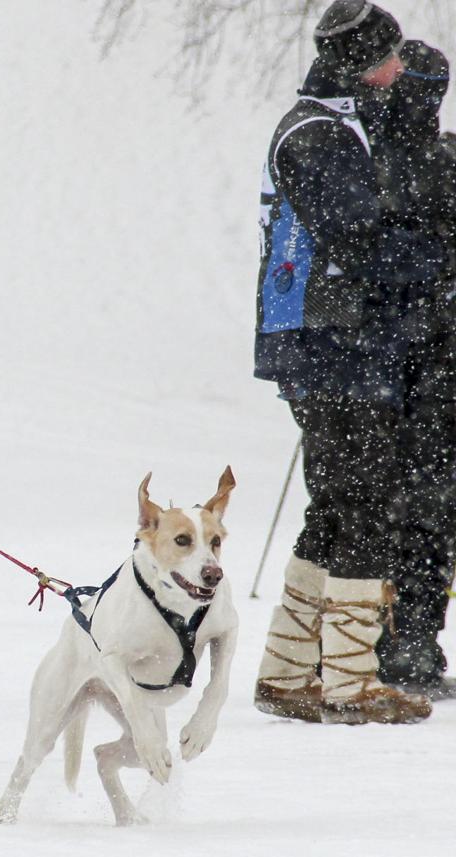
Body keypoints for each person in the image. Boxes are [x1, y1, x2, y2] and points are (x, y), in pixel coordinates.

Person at [251, 1, 452, 724]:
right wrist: (441, 253)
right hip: (329, 342)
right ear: (362, 67)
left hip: (338, 342)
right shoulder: (318, 135)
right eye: (390, 58)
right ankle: (350, 680)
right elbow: (362, 245)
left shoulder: (342, 124)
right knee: (366, 498)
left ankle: (286, 672)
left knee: (339, 503)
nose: (400, 69)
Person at [367, 39, 456, 698]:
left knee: (373, 497)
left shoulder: (362, 156)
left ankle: (375, 635)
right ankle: (410, 637)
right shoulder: (440, 163)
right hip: (426, 360)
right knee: (424, 504)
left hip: (384, 358)